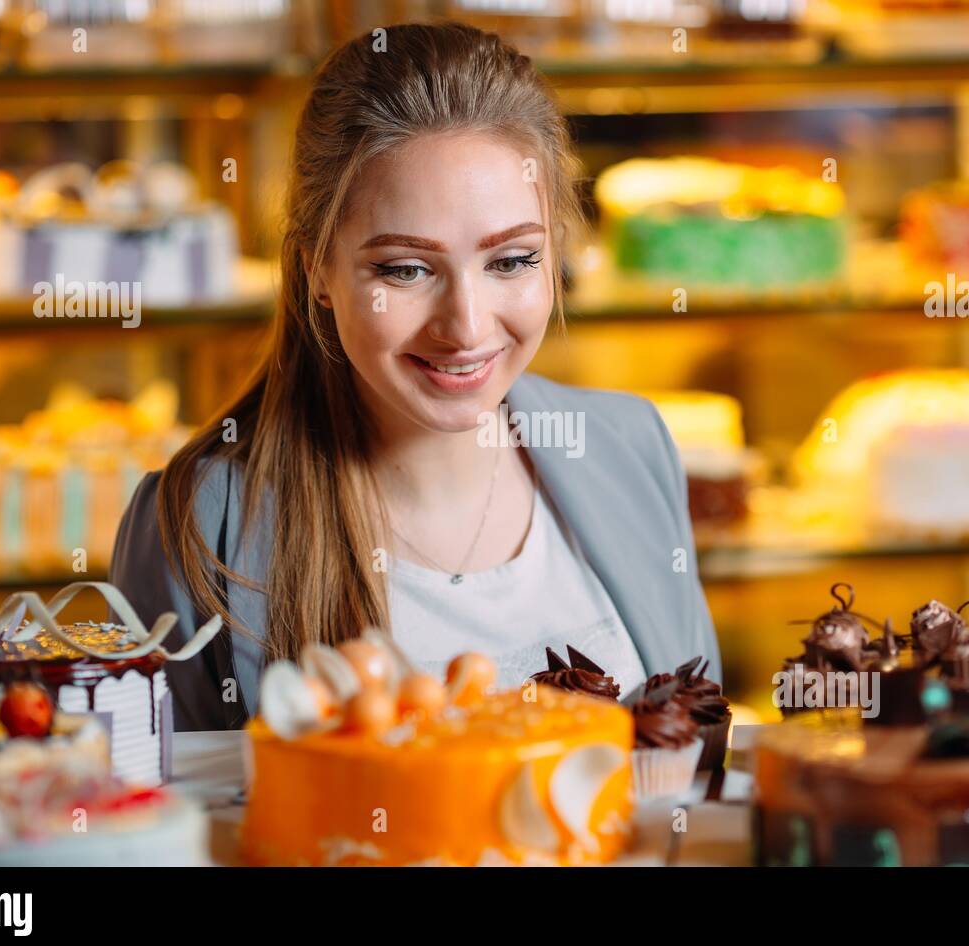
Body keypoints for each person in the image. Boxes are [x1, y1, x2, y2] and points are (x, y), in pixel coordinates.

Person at [110, 21, 719, 731]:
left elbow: (698, 762)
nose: (465, 326)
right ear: (319, 274)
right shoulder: (197, 525)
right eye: (405, 269)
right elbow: (162, 819)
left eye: (512, 261)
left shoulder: (629, 445)